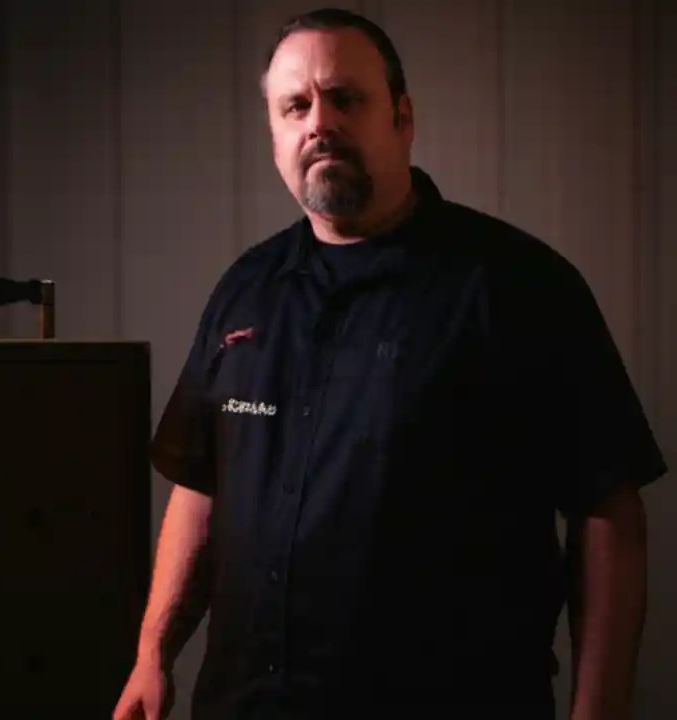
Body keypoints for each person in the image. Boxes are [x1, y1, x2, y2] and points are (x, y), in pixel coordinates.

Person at [112, 7, 665, 720]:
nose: (319, 122)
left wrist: (602, 709)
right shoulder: (245, 291)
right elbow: (201, 486)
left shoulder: (516, 286)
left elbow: (609, 512)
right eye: (295, 106)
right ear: (276, 136)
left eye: (346, 98)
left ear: (401, 119)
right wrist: (152, 654)